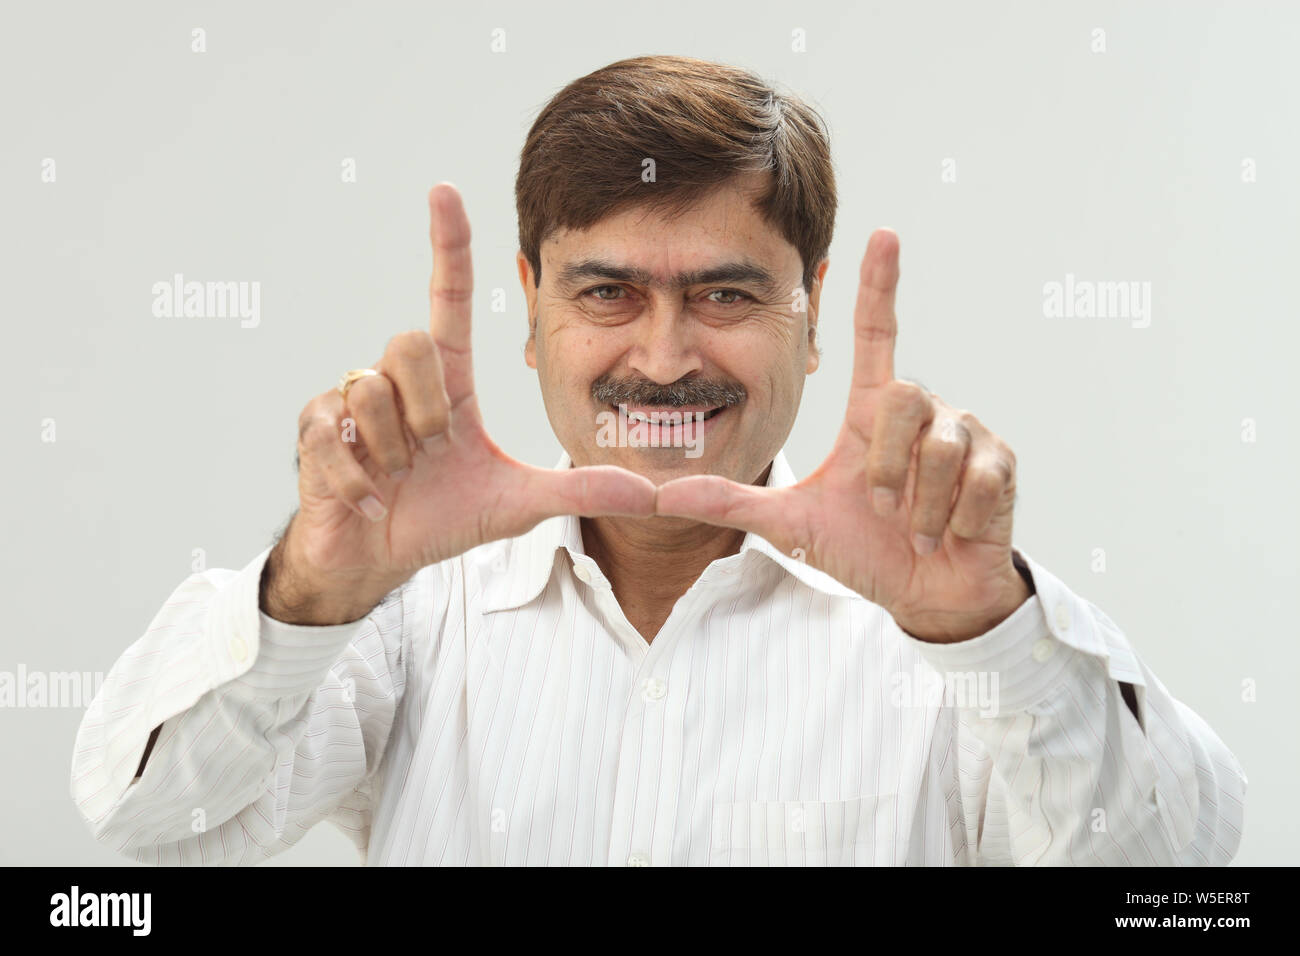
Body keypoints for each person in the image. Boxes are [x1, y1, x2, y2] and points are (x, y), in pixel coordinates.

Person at [71, 55, 1245, 866]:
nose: (667, 356)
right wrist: (312, 592)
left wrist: (991, 633)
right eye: (608, 292)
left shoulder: (946, 623)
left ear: (813, 308)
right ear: (529, 306)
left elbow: (1170, 888)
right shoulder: (411, 609)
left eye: (726, 292)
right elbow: (144, 827)